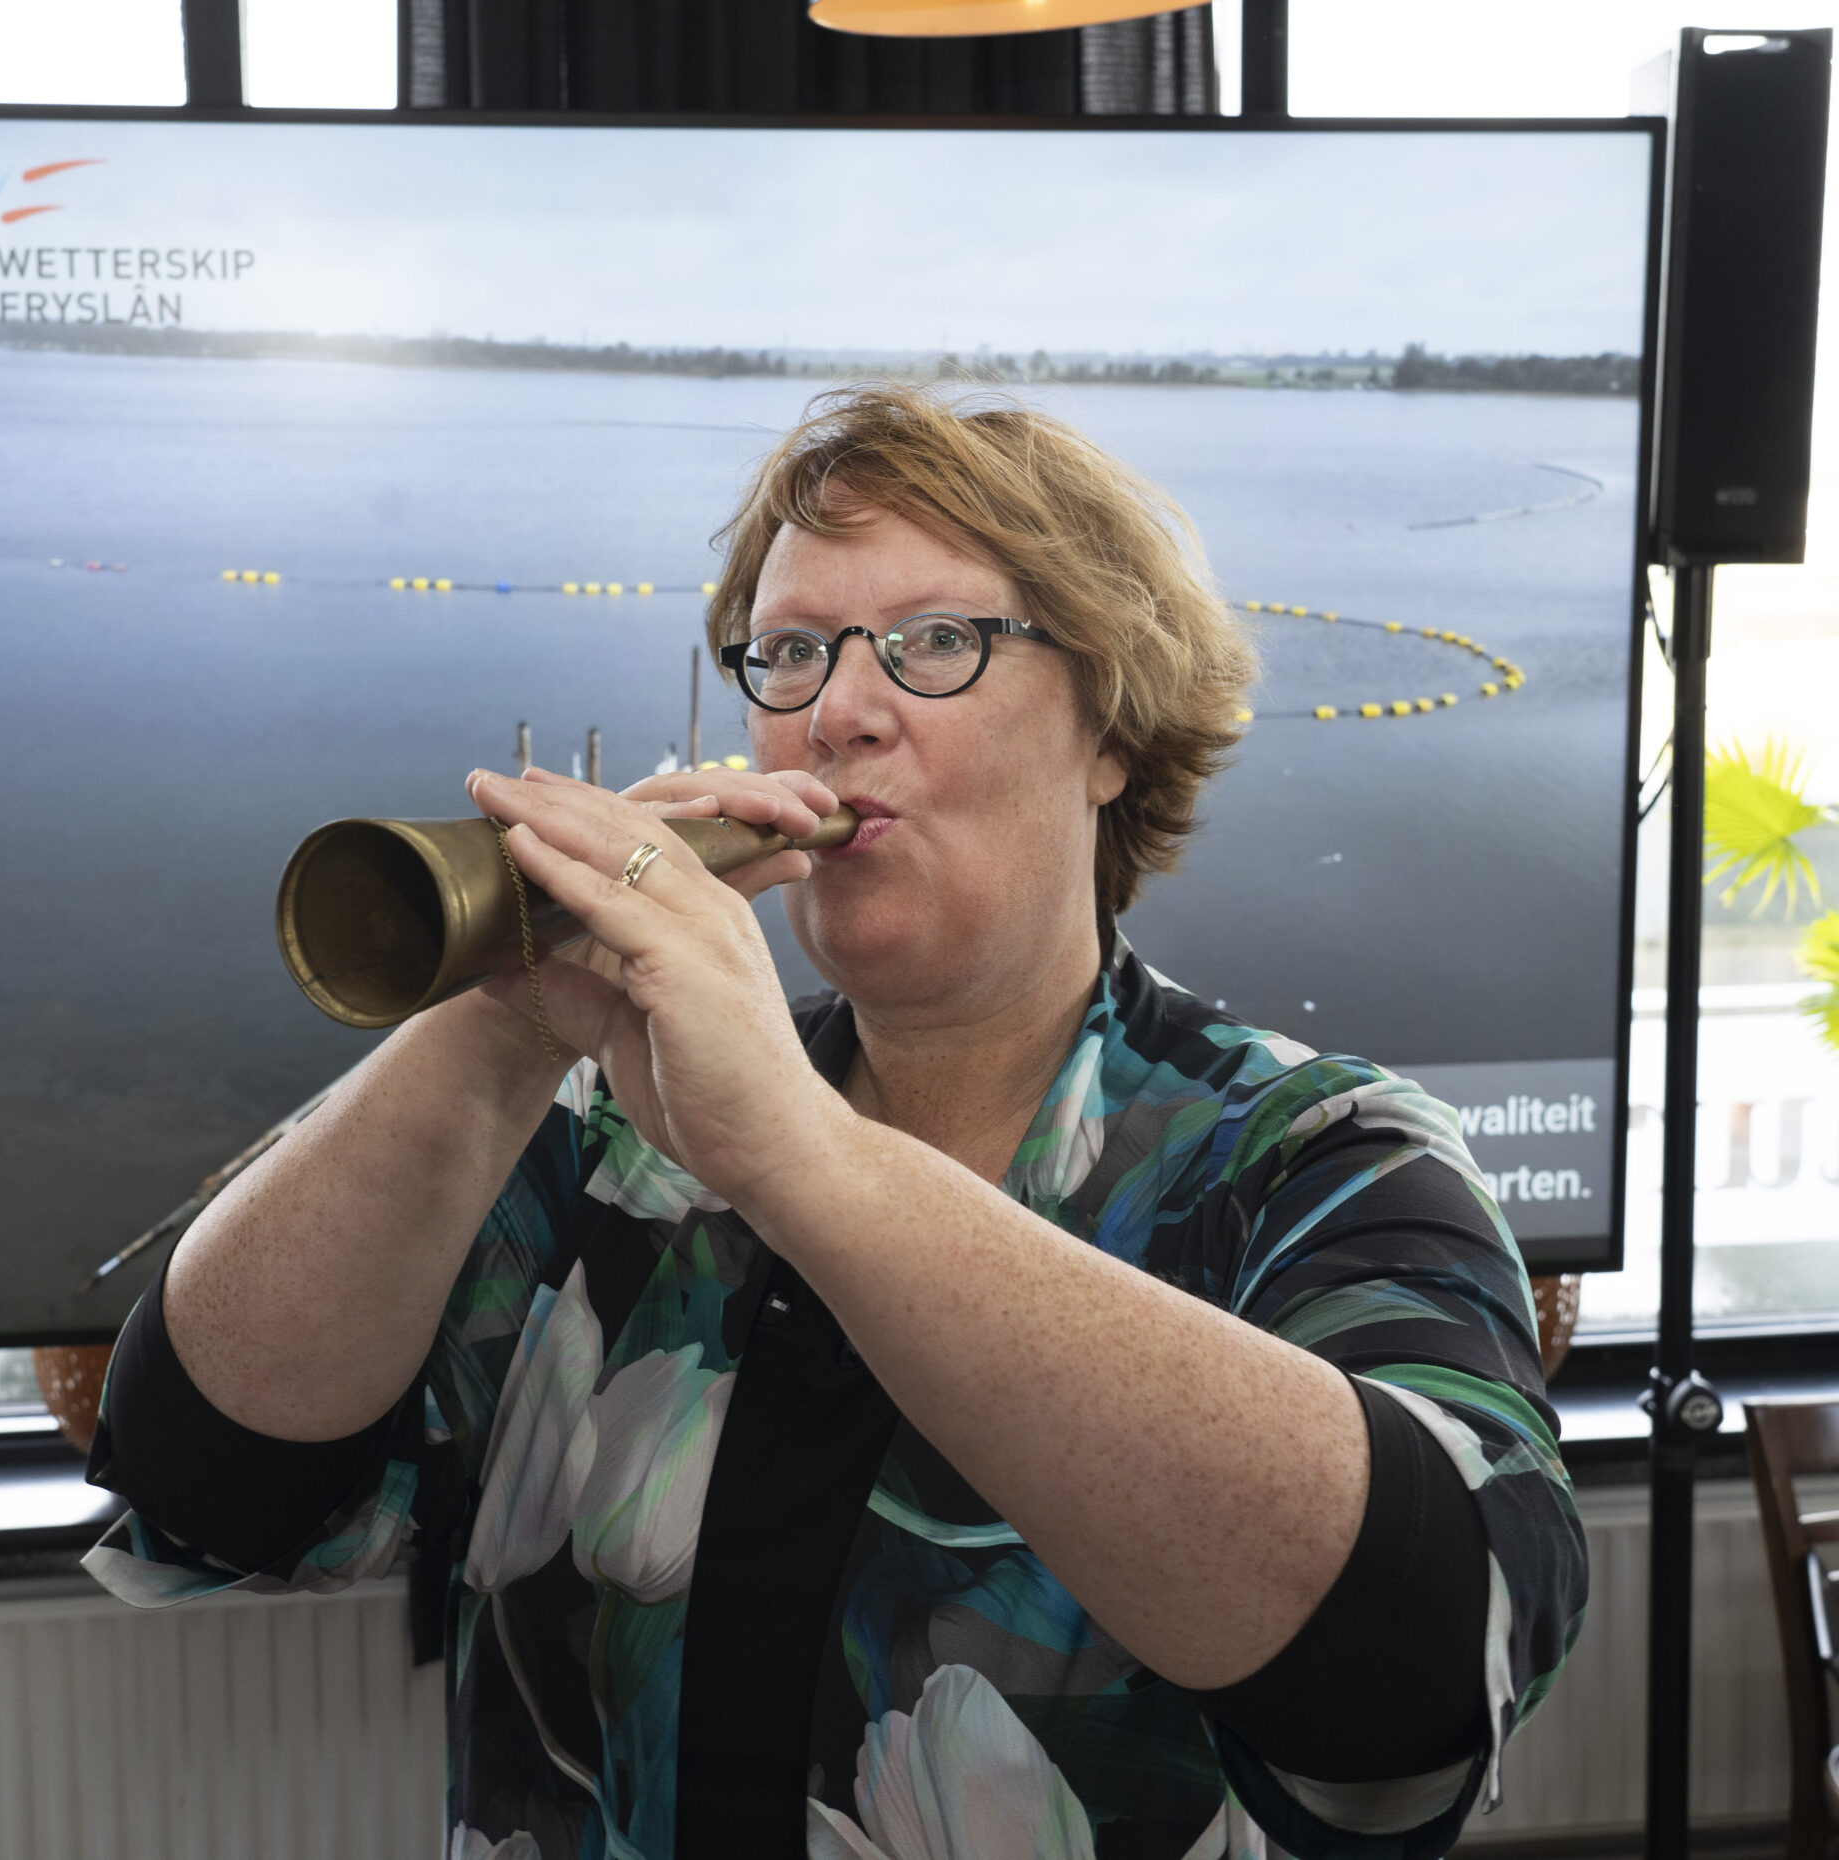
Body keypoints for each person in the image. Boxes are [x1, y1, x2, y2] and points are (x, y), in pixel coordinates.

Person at [81, 384, 1585, 1860]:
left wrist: (800, 1155)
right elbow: (206, 1487)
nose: (835, 714)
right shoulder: (604, 1133)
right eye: (790, 653)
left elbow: (1426, 1674)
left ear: (1112, 732)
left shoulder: (1319, 1159)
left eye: (937, 642)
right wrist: (502, 1014)